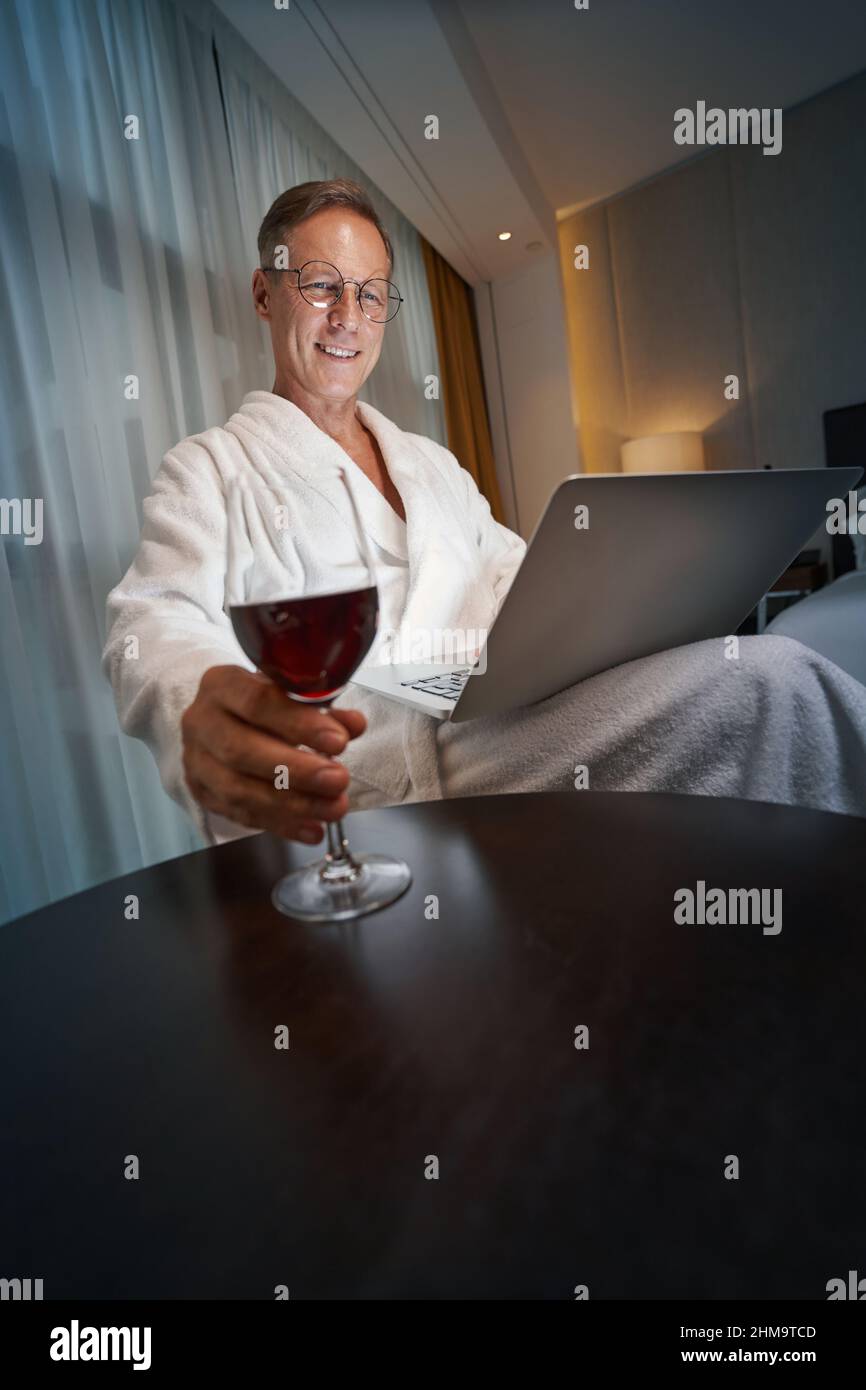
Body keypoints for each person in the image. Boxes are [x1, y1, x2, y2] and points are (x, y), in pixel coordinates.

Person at [102, 179, 866, 848]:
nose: (349, 317)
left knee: (775, 674)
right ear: (266, 294)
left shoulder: (430, 465)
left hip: (493, 729)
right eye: (320, 283)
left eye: (370, 293)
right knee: (765, 682)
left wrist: (629, 599)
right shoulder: (210, 468)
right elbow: (152, 624)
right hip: (362, 771)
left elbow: (513, 577)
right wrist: (194, 704)